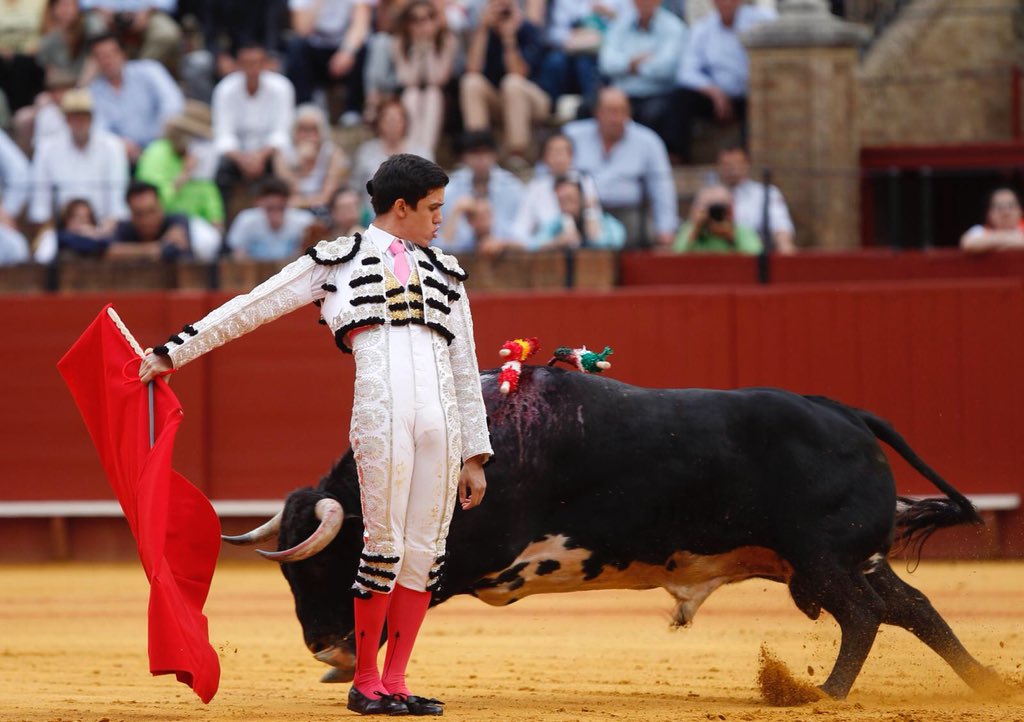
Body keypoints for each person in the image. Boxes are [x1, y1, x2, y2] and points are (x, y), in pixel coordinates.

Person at [139, 153, 491, 718]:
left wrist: (475, 453)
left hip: (443, 422)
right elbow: (252, 306)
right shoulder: (339, 259)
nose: (439, 220)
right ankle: (367, 681)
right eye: (432, 209)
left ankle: (397, 681)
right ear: (401, 208)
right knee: (384, 547)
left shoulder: (448, 272)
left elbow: (464, 364)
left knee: (426, 555)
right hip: (382, 411)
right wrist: (171, 352)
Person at [564, 86, 678, 248]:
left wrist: (665, 229)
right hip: (580, 213)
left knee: (640, 232)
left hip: (628, 212)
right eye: (610, 111)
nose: (616, 118)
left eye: (621, 111)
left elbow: (661, 186)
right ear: (597, 112)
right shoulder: (572, 135)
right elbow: (548, 175)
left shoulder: (648, 141)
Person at [672, 0, 776, 161]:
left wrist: (762, 36)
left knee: (759, 101)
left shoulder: (764, 20)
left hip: (752, 94)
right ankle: (678, 158)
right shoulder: (704, 28)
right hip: (717, 97)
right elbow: (686, 71)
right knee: (680, 97)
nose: (725, 3)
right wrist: (713, 91)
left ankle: (751, 160)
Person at [459, 0, 548, 166]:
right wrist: (483, 29)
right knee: (471, 83)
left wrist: (509, 38)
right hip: (499, 98)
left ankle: (517, 154)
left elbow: (519, 73)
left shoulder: (529, 29)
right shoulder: (484, 32)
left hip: (535, 98)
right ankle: (479, 149)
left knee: (512, 83)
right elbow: (472, 69)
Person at [28, 87, 129, 231]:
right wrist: (53, 230)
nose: (79, 122)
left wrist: (103, 230)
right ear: (66, 119)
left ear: (92, 118)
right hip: (60, 228)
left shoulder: (112, 146)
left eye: (84, 116)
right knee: (44, 251)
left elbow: (117, 203)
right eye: (73, 117)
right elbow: (40, 206)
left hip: (103, 227)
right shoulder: (47, 149)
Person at [212, 44, 296, 206]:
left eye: (257, 63)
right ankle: (222, 220)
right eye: (247, 63)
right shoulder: (225, 90)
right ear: (238, 65)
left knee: (283, 165)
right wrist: (241, 159)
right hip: (237, 156)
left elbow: (282, 132)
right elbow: (223, 135)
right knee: (220, 171)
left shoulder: (281, 87)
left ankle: (284, 211)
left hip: (269, 154)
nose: (252, 69)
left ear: (266, 64)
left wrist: (261, 156)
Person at [598, 0, 687, 148]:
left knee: (656, 112)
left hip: (657, 93)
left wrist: (630, 67)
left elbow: (666, 68)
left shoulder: (674, 27)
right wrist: (631, 64)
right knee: (588, 108)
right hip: (622, 93)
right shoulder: (620, 23)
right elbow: (606, 63)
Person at [88, 32, 185, 162]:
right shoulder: (94, 90)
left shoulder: (150, 70)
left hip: (163, 144)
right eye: (100, 56)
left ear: (123, 54)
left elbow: (173, 104)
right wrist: (119, 144)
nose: (107, 61)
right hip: (122, 155)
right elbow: (98, 128)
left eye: (110, 54)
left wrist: (159, 138)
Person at [135, 100, 226, 228]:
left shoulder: (200, 159)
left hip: (195, 226)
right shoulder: (156, 153)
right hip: (161, 226)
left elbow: (211, 202)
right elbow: (152, 205)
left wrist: (216, 221)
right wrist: (184, 174)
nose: (198, 144)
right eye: (194, 137)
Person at [439, 129, 524, 254]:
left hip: (507, 255)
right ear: (464, 157)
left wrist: (501, 243)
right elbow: (442, 247)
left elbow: (526, 239)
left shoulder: (513, 187)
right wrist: (456, 211)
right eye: (474, 153)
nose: (481, 159)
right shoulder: (450, 188)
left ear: (495, 155)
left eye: (485, 153)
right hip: (462, 258)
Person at [286, 0, 374, 120]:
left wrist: (347, 51)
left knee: (362, 48)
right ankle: (305, 106)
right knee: (296, 46)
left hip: (345, 48)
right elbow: (302, 29)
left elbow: (360, 25)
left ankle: (353, 111)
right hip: (315, 49)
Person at [391, 0, 457, 155]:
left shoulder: (447, 40)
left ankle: (426, 154)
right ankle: (411, 153)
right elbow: (408, 80)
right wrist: (416, 49)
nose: (422, 24)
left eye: (428, 18)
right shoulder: (399, 42)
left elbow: (438, 79)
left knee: (433, 94)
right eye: (415, 20)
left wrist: (429, 48)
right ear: (407, 23)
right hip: (410, 94)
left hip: (444, 99)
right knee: (412, 94)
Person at [512, 132, 601, 244]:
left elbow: (596, 228)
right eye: (553, 152)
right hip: (545, 252)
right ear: (544, 157)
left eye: (562, 152)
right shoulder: (536, 187)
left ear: (572, 155)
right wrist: (541, 244)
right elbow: (520, 229)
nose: (558, 158)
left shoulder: (585, 182)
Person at [349, 98, 432, 213]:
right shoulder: (365, 152)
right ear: (379, 122)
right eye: (388, 120)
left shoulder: (421, 153)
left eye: (397, 120)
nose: (392, 125)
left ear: (405, 123)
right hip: (372, 215)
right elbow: (355, 188)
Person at [715, 142, 795, 253]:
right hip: (718, 258)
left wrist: (785, 252)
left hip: (755, 257)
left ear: (747, 164)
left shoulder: (765, 193)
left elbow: (780, 228)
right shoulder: (708, 196)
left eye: (735, 164)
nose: (730, 169)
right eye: (725, 164)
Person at [273, 103, 350, 215]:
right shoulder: (282, 155)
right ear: (293, 131)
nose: (308, 135)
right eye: (302, 130)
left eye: (313, 130)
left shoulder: (333, 153)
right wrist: (300, 162)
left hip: (324, 210)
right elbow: (290, 192)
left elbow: (327, 196)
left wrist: (303, 202)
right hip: (291, 212)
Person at [107, 179, 204, 260]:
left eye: (151, 211)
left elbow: (177, 244)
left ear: (161, 207)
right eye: (139, 214)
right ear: (130, 214)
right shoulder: (124, 228)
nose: (146, 220)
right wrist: (152, 250)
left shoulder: (177, 220)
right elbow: (110, 251)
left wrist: (132, 252)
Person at [225, 177, 316, 260]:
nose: (275, 214)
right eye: (270, 208)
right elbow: (238, 255)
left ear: (287, 202)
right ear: (259, 202)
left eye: (280, 208)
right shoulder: (246, 220)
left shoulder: (305, 221)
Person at [80, 0, 182, 70]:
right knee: (95, 28)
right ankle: (95, 77)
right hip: (103, 14)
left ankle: (139, 74)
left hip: (148, 14)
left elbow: (168, 3)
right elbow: (83, 3)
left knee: (166, 34)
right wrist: (100, 10)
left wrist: (147, 12)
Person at [529, 175, 625, 250]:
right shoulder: (555, 224)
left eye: (570, 199)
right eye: (561, 201)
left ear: (581, 198)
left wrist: (590, 213)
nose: (566, 206)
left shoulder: (609, 224)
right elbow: (534, 246)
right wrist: (557, 242)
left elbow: (612, 243)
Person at [673, 184, 761, 254]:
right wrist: (696, 230)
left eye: (721, 207)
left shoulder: (741, 230)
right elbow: (675, 257)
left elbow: (756, 259)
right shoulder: (690, 229)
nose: (715, 213)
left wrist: (731, 237)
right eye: (709, 208)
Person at [33, 197, 111, 263]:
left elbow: (106, 244)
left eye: (87, 217)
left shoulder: (95, 238)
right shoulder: (53, 236)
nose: (84, 221)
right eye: (78, 217)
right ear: (67, 219)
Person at [960, 187, 1024, 252]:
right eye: (999, 207)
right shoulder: (980, 231)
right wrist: (1013, 239)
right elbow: (967, 243)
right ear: (988, 213)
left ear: (1021, 210)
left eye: (1011, 206)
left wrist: (992, 244)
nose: (1005, 213)